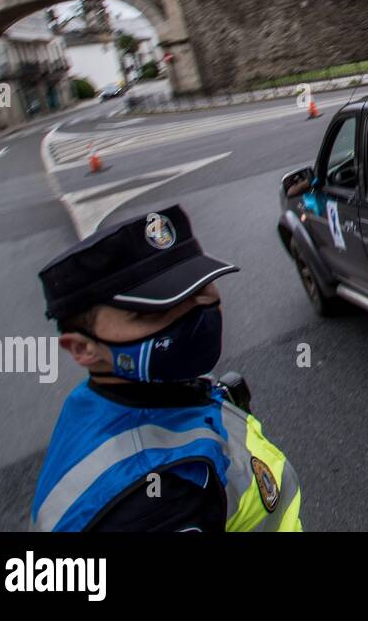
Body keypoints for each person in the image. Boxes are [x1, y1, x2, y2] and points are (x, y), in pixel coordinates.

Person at [31, 205, 301, 532]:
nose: (195, 314)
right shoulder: (157, 503)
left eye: (200, 290)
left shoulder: (136, 390)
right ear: (82, 348)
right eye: (153, 312)